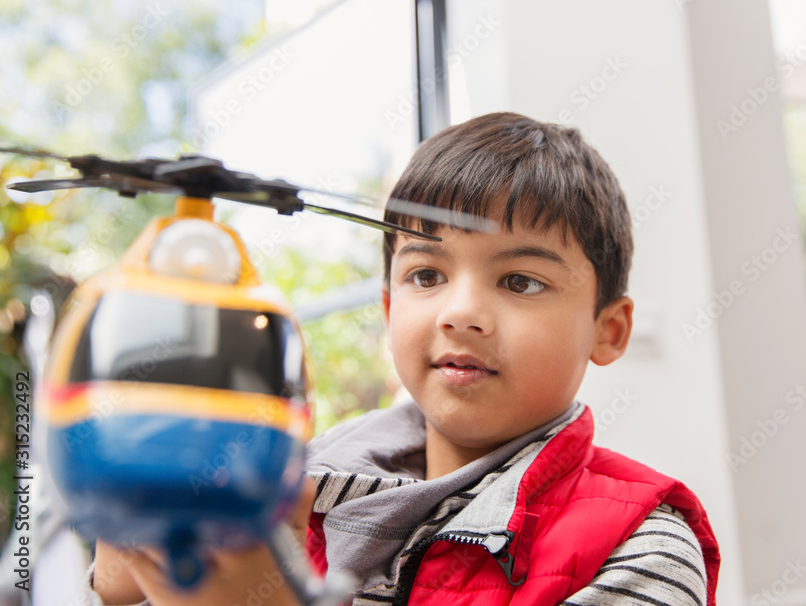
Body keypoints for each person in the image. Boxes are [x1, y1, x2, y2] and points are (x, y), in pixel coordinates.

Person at [89, 112, 720, 605]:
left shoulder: (644, 548)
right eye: (426, 275)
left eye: (520, 281)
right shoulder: (281, 496)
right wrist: (122, 586)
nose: (459, 312)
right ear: (390, 311)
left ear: (607, 330)